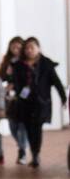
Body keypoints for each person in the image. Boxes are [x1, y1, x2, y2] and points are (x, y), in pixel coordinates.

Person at [10, 37, 67, 169]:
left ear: (38, 48)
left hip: (41, 103)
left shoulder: (46, 65)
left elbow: (57, 83)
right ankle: (34, 152)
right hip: (25, 103)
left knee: (37, 129)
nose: (29, 50)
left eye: (32, 47)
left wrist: (63, 98)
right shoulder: (19, 66)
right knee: (29, 129)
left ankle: (36, 154)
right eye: (27, 48)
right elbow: (16, 84)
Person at [0, 36, 30, 163]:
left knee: (22, 125)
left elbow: (29, 81)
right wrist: (6, 87)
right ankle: (22, 146)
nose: (15, 49)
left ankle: (22, 152)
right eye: (13, 47)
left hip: (23, 99)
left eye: (18, 47)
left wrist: (21, 93)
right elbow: (0, 79)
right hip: (9, 99)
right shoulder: (6, 62)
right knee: (13, 126)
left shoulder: (27, 62)